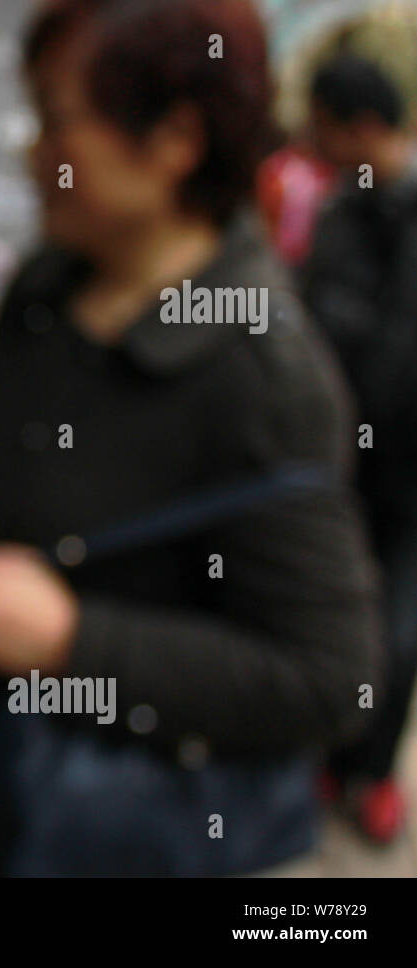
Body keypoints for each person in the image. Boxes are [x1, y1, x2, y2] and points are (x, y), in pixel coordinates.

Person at [0, 0, 384, 876]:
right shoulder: (51, 285)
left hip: (50, 828)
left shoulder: (259, 373)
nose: (32, 154)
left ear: (173, 140)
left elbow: (327, 678)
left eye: (56, 122)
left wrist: (73, 641)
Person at [300, 52, 417, 844]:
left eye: (321, 123)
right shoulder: (344, 208)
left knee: (399, 624)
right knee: (336, 607)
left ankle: (368, 771)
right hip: (345, 460)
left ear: (361, 127)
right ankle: (332, 755)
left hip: (407, 464)